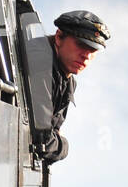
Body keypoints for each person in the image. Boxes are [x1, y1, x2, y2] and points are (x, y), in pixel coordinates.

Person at [34, 10, 109, 164]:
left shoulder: (67, 80)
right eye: (81, 45)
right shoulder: (39, 64)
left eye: (93, 50)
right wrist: (64, 146)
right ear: (59, 37)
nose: (87, 56)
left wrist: (54, 141)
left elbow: (50, 136)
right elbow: (42, 140)